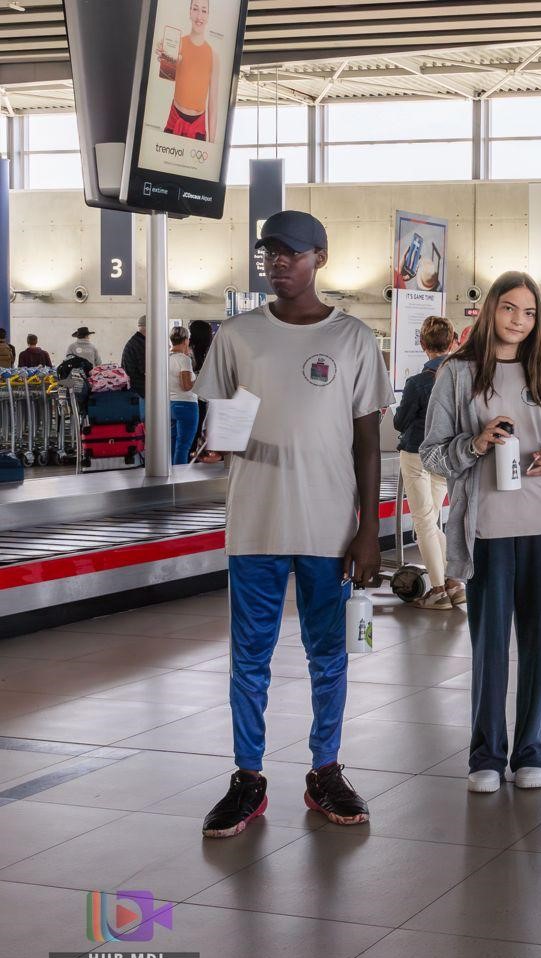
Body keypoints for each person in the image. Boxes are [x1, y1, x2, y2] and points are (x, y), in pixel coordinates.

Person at [193, 210, 390, 838]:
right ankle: (247, 778)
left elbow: (367, 444)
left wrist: (368, 530)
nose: (278, 263)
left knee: (328, 656)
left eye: (291, 253)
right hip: (254, 524)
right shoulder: (237, 335)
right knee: (248, 658)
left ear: (319, 258)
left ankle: (324, 769)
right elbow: (218, 418)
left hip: (329, 528)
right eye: (269, 253)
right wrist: (217, 438)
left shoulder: (353, 339)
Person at [421, 272, 541, 795]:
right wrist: (475, 444)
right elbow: (431, 453)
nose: (519, 320)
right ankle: (486, 754)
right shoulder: (457, 373)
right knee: (489, 646)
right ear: (491, 310)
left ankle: (532, 749)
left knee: (540, 644)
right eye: (510, 309)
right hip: (485, 529)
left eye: (530, 313)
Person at [393, 315, 462, 610]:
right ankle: (454, 582)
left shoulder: (418, 382)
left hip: (416, 455)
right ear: (453, 340)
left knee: (423, 522)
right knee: (432, 521)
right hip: (445, 457)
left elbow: (400, 422)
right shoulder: (461, 377)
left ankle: (437, 590)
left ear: (422, 344)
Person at [162, 0, 215, 143]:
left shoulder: (213, 55)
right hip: (174, 120)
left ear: (208, 15)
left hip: (198, 127)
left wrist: (212, 145)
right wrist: (162, 55)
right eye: (195, 9)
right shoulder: (178, 44)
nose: (199, 16)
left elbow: (213, 104)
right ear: (189, 12)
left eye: (204, 11)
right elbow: (166, 74)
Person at [168, 325, 199, 465]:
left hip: (170, 404)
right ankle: (180, 479)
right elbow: (186, 386)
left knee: (173, 444)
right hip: (186, 405)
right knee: (183, 446)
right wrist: (199, 380)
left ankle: (170, 476)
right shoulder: (183, 359)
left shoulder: (166, 357)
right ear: (186, 340)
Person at [121, 316, 147, 396]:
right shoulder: (140, 344)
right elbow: (146, 370)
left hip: (136, 387)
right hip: (139, 390)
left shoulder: (137, 341)